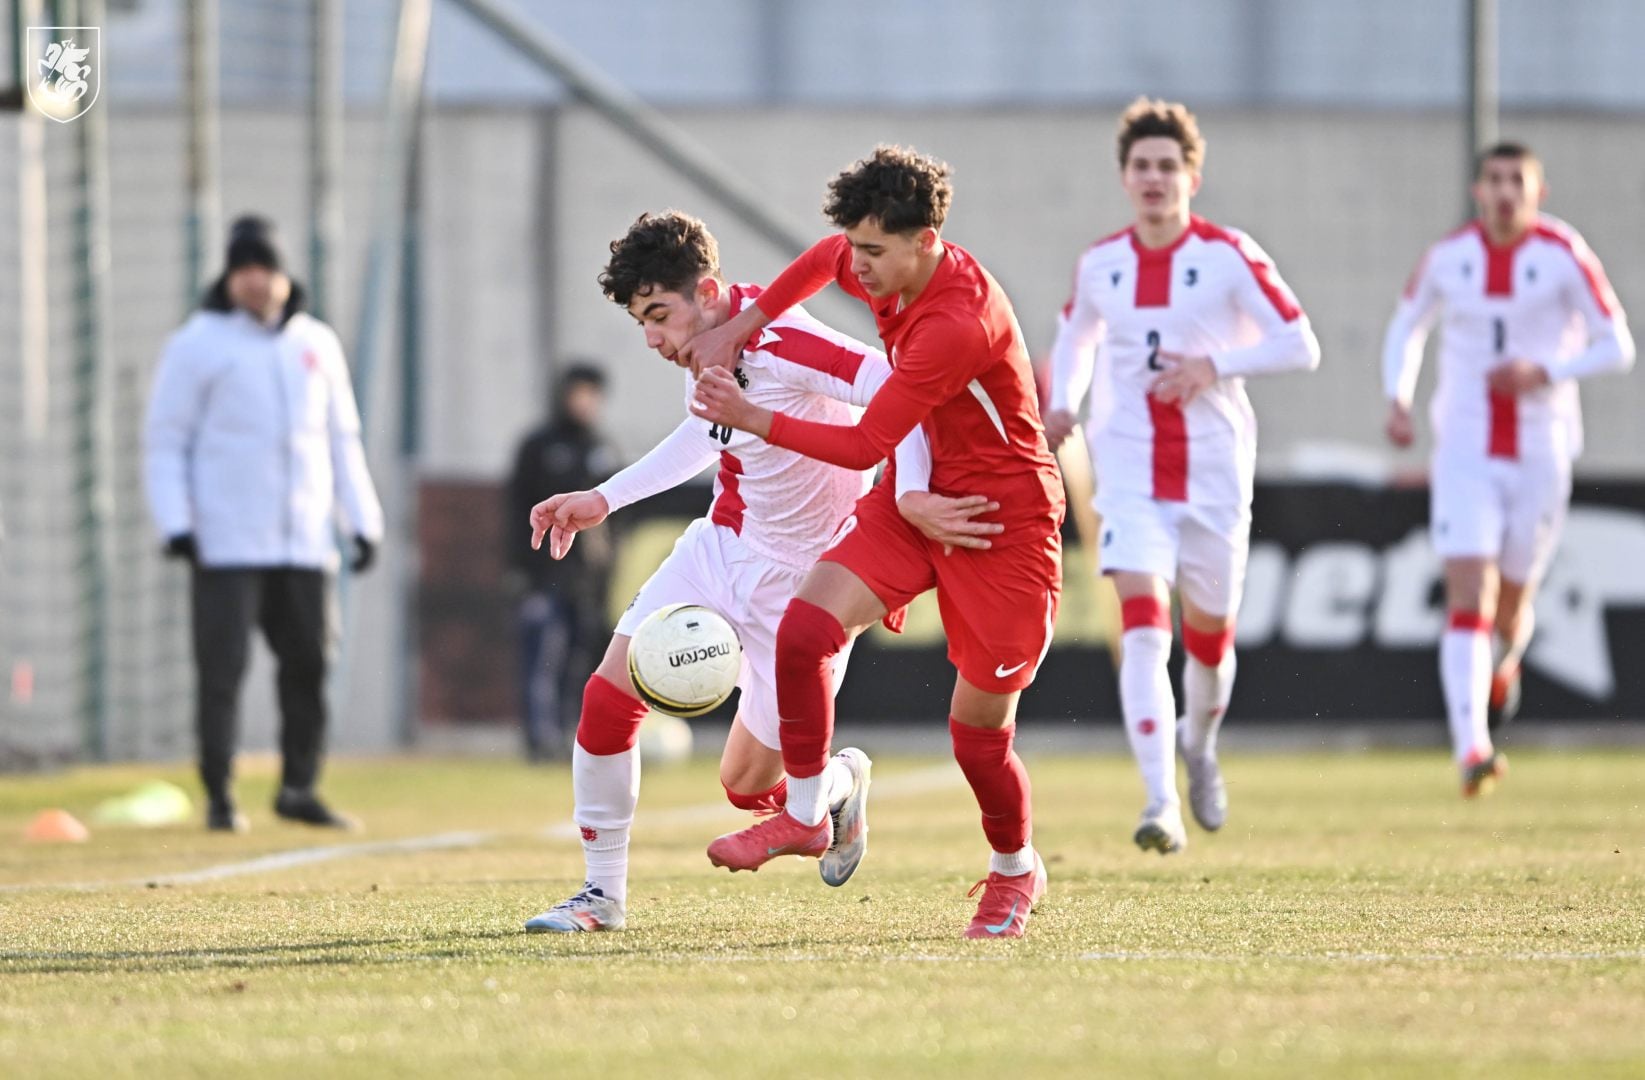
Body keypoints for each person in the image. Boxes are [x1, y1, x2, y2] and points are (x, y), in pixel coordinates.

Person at [685, 145, 1067, 940]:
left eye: (874, 253)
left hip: (998, 523)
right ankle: (805, 814)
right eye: (855, 247)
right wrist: (744, 328)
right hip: (914, 501)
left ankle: (1013, 869)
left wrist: (749, 414)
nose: (857, 268)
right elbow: (823, 259)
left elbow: (863, 446)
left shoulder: (956, 323)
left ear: (926, 241)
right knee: (804, 631)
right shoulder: (871, 257)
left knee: (978, 741)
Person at [522, 210, 930, 933]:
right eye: (640, 323)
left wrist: (910, 503)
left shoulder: (791, 343)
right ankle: (601, 896)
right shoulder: (703, 355)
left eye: (658, 315)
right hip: (718, 549)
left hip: (805, 586)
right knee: (606, 703)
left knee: (747, 787)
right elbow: (701, 435)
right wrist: (604, 498)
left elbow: (906, 393)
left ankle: (839, 783)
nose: (652, 339)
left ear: (707, 293)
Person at [1044, 99, 1321, 855]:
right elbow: (1074, 340)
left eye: (1168, 166)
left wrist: (1214, 365)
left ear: (1192, 177)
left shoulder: (1229, 254)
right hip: (1128, 471)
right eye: (1142, 166)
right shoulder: (1101, 264)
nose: (1155, 179)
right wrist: (1061, 406)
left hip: (1213, 478)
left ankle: (1198, 745)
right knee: (1140, 623)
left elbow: (1300, 344)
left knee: (1208, 646)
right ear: (1124, 178)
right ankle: (1159, 800)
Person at [1382, 142, 1634, 796]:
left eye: (1515, 181)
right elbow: (1406, 326)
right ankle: (1471, 747)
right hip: (1463, 447)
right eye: (1492, 180)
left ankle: (1507, 661)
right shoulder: (1449, 257)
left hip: (1540, 447)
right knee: (1468, 588)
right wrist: (1397, 397)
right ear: (1476, 191)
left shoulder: (1561, 254)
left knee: (1512, 603)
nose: (1503, 193)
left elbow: (1617, 346)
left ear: (1537, 192)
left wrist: (1544, 372)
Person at [144, 215, 383, 832]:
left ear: (283, 276)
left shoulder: (317, 343)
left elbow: (341, 438)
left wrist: (362, 520)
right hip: (225, 540)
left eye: (266, 269)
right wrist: (176, 521)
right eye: (245, 270)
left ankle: (298, 787)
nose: (257, 282)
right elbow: (166, 440)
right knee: (221, 672)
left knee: (310, 666)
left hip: (304, 542)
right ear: (229, 277)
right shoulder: (198, 343)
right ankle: (220, 795)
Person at [505, 364, 620, 761]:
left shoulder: (602, 447)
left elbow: (616, 520)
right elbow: (516, 508)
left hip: (588, 578)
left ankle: (576, 737)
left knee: (581, 659)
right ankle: (540, 739)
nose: (585, 402)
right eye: (579, 392)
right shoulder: (538, 446)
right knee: (542, 657)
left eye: (592, 394)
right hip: (544, 574)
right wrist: (519, 570)